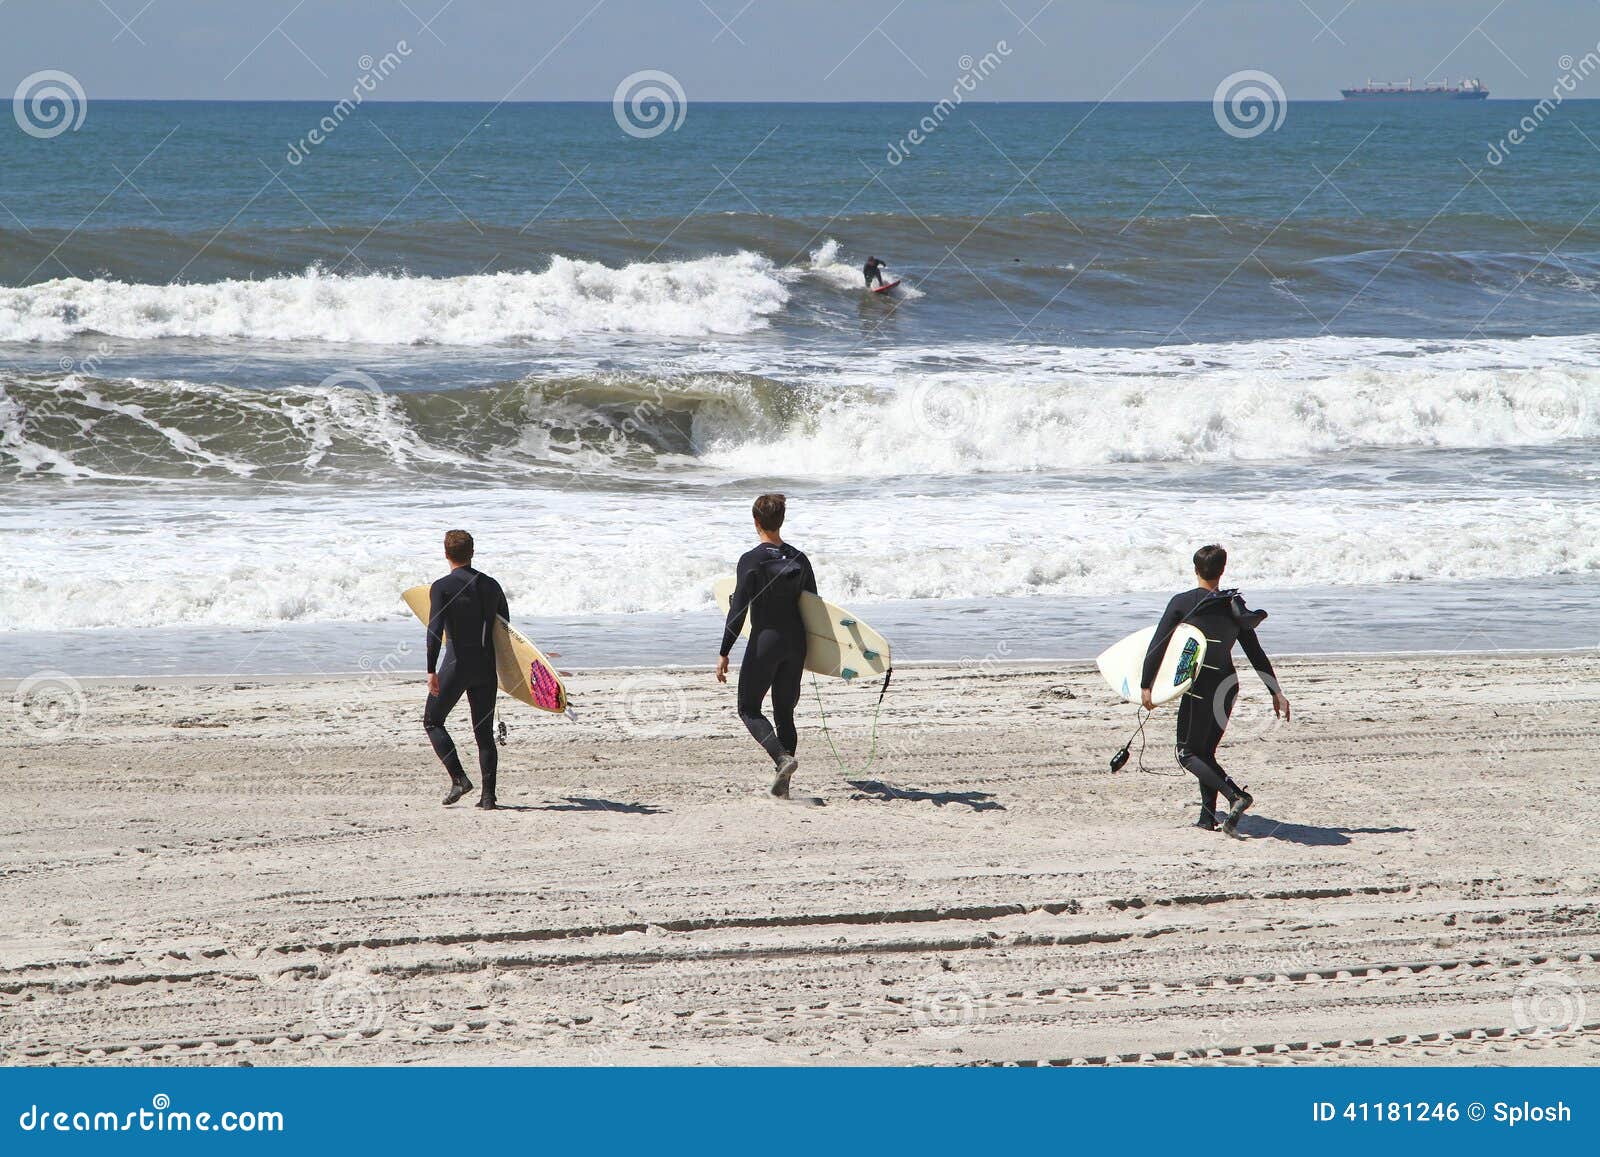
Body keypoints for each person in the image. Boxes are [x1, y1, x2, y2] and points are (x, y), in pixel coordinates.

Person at [1140, 544, 1290, 837]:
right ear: (1222, 570)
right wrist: (1275, 691)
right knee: (1205, 752)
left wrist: (1147, 685)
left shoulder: (1182, 603)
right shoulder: (1233, 606)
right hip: (1227, 685)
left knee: (1187, 753)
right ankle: (1207, 817)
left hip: (1199, 686)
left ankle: (1236, 796)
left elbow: (1158, 644)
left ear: (1195, 569)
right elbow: (1254, 651)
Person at [717, 494, 818, 799]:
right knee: (784, 712)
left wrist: (724, 651)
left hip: (766, 641)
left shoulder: (751, 560)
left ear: (756, 522)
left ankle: (782, 759)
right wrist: (814, 654)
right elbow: (814, 608)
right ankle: (782, 787)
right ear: (781, 521)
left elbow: (738, 610)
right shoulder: (800, 559)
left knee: (748, 708)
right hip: (796, 643)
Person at [423, 529, 509, 809]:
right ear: (472, 552)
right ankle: (488, 798)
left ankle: (459, 778)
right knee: (483, 735)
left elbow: (434, 630)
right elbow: (504, 632)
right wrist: (505, 673)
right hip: (485, 666)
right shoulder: (492, 585)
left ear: (445, 554)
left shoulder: (442, 587)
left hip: (456, 665)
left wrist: (431, 670)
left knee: (433, 721)